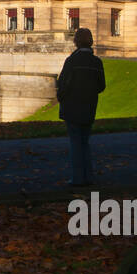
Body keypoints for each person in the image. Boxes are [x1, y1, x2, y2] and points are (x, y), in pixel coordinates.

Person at [55, 27, 106, 187]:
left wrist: (62, 97)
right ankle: (88, 177)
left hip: (72, 106)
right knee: (85, 142)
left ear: (76, 41)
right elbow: (101, 86)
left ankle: (77, 178)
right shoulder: (96, 62)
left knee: (76, 143)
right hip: (89, 106)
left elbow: (62, 83)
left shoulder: (72, 61)